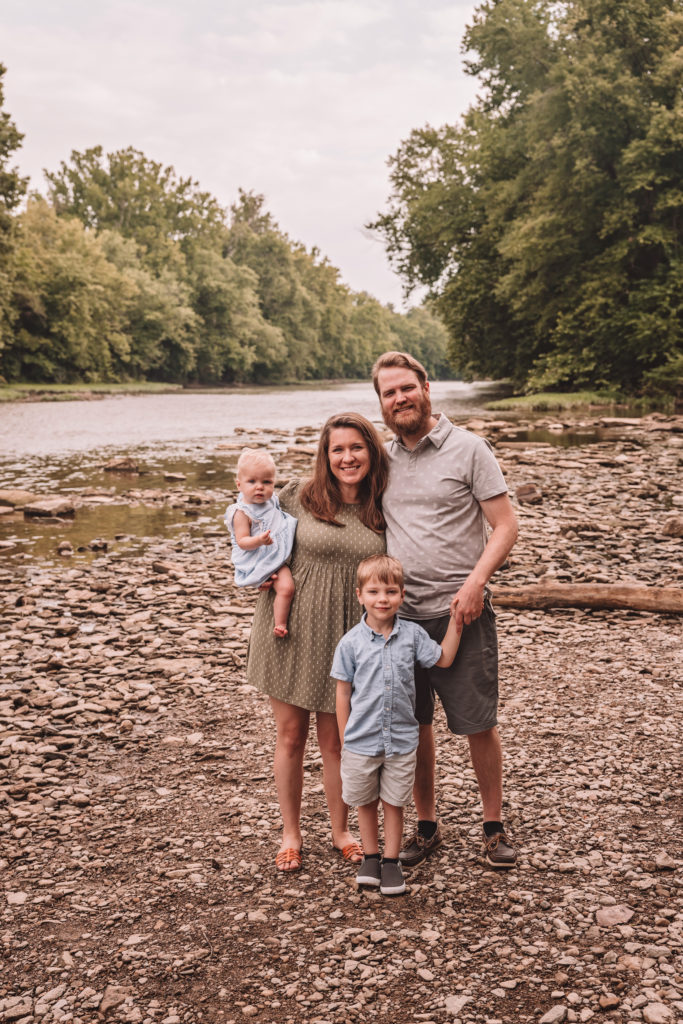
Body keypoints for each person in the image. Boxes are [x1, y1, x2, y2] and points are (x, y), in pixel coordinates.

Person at [372, 351, 519, 869]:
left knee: (478, 721)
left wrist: (477, 582)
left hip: (463, 613)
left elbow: (505, 525)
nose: (400, 399)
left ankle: (493, 827)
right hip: (399, 620)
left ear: (426, 386)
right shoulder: (381, 459)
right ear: (382, 404)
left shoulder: (470, 449)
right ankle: (427, 825)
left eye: (406, 387)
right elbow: (332, 490)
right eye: (389, 393)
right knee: (415, 726)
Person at [246, 413, 388, 872]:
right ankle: (290, 833)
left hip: (348, 636)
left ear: (371, 451)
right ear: (325, 456)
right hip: (291, 629)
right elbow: (248, 519)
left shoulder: (383, 502)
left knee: (337, 741)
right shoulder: (297, 495)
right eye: (337, 450)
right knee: (290, 736)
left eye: (356, 448)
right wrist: (269, 570)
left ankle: (340, 830)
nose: (347, 458)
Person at [333, 554, 462, 895]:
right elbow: (343, 691)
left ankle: (391, 862)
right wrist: (345, 738)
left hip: (402, 740)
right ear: (359, 595)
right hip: (361, 741)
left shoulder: (413, 636)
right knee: (365, 800)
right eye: (374, 592)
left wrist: (456, 623)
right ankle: (370, 858)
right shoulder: (350, 643)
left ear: (402, 595)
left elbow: (444, 658)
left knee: (393, 801)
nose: (382, 599)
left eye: (390, 591)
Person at [224, 448, 297, 637]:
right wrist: (258, 540)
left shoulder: (272, 500)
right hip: (260, 555)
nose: (260, 487)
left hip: (274, 550)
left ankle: (280, 621)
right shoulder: (242, 512)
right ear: (239, 485)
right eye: (252, 482)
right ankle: (280, 623)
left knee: (287, 588)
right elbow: (242, 541)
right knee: (286, 588)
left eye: (266, 482)